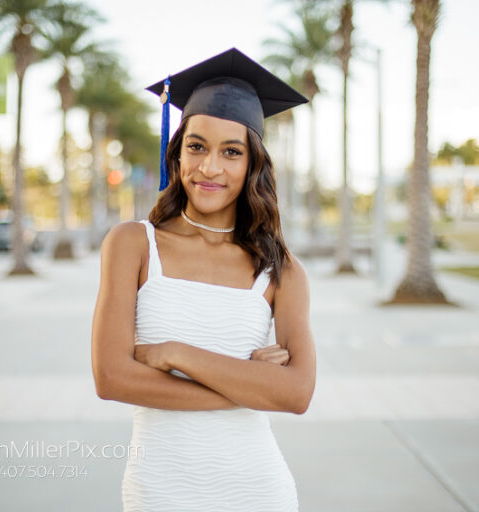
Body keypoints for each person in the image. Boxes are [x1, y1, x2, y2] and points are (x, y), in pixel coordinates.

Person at [91, 48, 316, 512]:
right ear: (177, 154)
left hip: (258, 491)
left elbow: (295, 394)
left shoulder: (281, 270)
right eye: (197, 147)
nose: (210, 168)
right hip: (158, 491)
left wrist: (176, 354)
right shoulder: (133, 244)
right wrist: (249, 384)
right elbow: (112, 377)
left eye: (231, 152)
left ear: (252, 165)